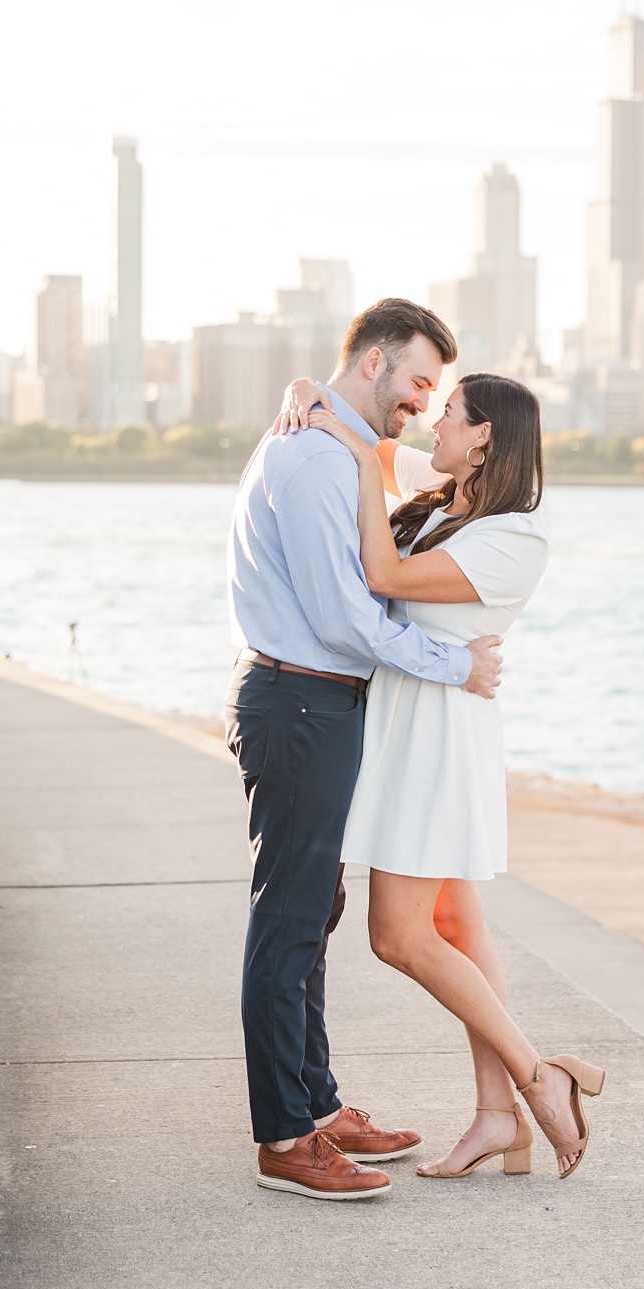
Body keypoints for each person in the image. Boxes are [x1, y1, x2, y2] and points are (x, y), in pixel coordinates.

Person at [281, 368, 606, 1180]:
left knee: (397, 934)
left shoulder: (515, 535)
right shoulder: (449, 495)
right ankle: (499, 1117)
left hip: (437, 742)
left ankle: (540, 1077)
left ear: (485, 434)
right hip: (404, 727)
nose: (434, 422)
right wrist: (306, 388)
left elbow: (384, 576)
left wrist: (359, 465)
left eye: (451, 413)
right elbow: (375, 443)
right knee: (458, 924)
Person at [225, 299, 505, 1202]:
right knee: (289, 919)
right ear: (376, 361)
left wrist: (310, 389)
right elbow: (347, 617)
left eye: (436, 391)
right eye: (419, 381)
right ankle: (285, 1137)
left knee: (315, 912)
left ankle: (315, 1104)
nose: (423, 402)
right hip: (301, 699)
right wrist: (455, 664)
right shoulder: (314, 458)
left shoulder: (335, 441)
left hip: (318, 704)